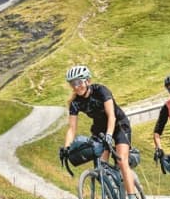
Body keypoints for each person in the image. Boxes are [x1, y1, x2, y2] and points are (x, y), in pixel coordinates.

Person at [59, 65, 140, 198]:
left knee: (122, 160)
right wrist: (67, 147)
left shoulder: (101, 91)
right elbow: (71, 128)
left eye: (79, 82)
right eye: (72, 83)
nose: (76, 86)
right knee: (101, 167)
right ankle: (111, 192)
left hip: (119, 125)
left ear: (87, 81)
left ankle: (131, 195)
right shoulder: (75, 103)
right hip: (99, 130)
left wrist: (109, 135)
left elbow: (111, 116)